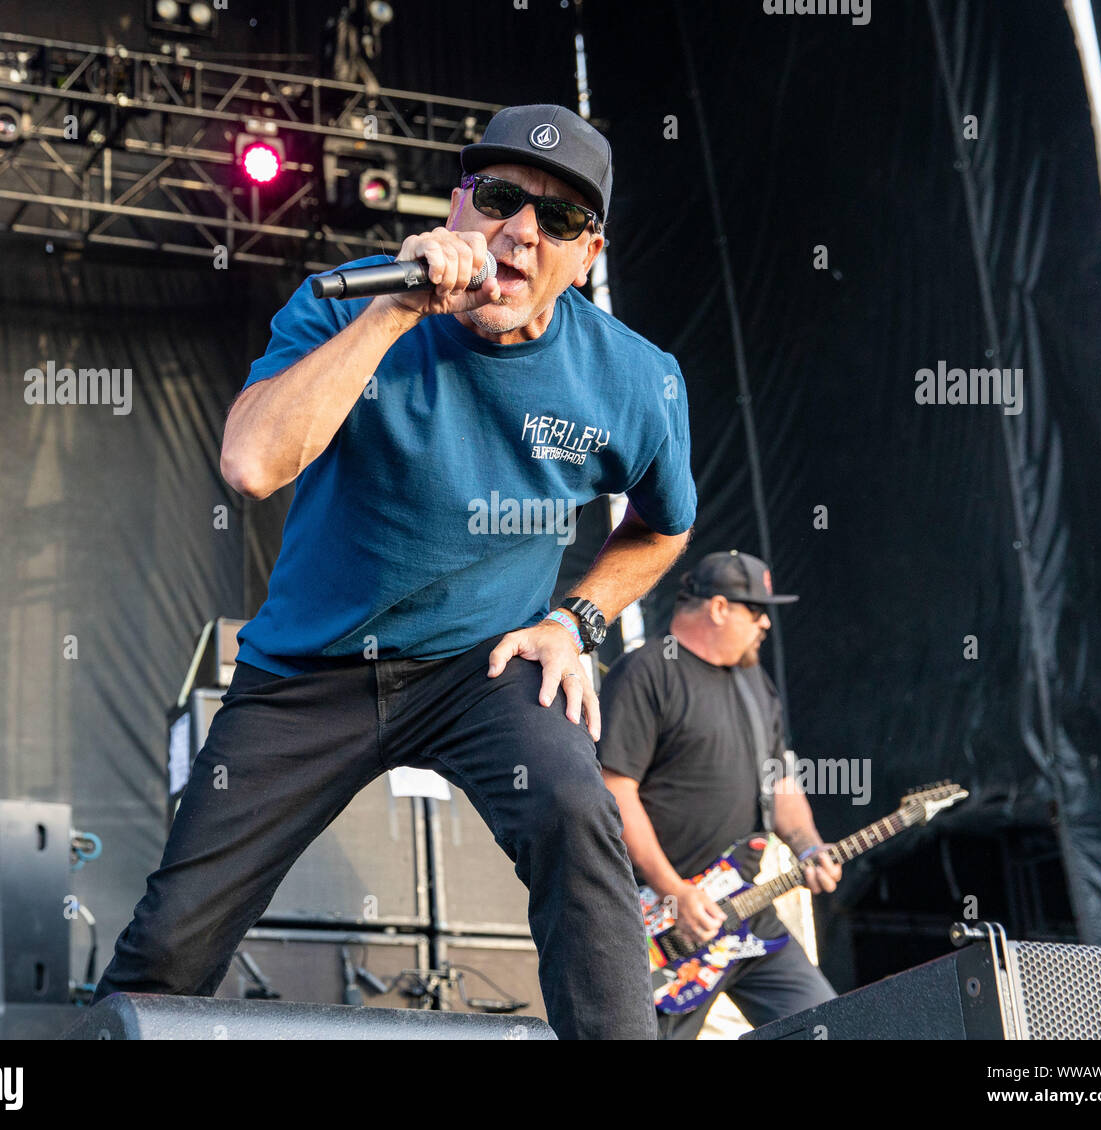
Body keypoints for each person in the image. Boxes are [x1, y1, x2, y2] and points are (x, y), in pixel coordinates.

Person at [92, 105, 697, 1040]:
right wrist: (393, 311)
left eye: (560, 220)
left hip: (480, 666)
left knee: (577, 814)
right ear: (458, 206)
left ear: (590, 254)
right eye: (498, 197)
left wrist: (575, 620)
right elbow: (253, 464)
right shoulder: (351, 303)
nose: (521, 230)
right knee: (172, 943)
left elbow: (662, 529)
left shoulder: (634, 379)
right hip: (309, 670)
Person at [597, 550, 838, 1040]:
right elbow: (615, 789)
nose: (766, 623)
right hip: (664, 920)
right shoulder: (646, 672)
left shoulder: (755, 683)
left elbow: (781, 780)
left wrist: (808, 844)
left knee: (830, 1027)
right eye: (756, 610)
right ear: (720, 608)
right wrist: (675, 889)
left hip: (747, 908)